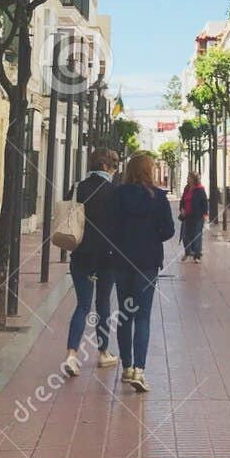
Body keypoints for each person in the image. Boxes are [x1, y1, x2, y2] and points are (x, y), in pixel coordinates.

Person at [106, 151, 174, 393]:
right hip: (147, 262)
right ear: (148, 171)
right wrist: (151, 234)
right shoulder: (157, 198)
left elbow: (109, 227)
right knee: (143, 315)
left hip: (122, 262)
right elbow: (168, 231)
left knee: (125, 314)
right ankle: (139, 370)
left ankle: (126, 367)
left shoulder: (117, 195)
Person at [62, 148, 120, 378]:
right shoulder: (115, 192)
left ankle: (71, 355)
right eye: (114, 166)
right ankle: (103, 353)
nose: (115, 171)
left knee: (83, 305)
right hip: (107, 257)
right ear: (106, 166)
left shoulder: (78, 187)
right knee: (103, 303)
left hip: (80, 254)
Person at [179, 171, 208, 261]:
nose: (187, 179)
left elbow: (204, 203)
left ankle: (197, 255)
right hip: (187, 216)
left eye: (189, 177)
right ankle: (188, 252)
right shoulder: (187, 188)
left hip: (197, 216)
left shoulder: (200, 189)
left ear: (193, 179)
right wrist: (182, 208)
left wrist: (205, 214)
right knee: (185, 235)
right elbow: (182, 200)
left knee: (197, 235)